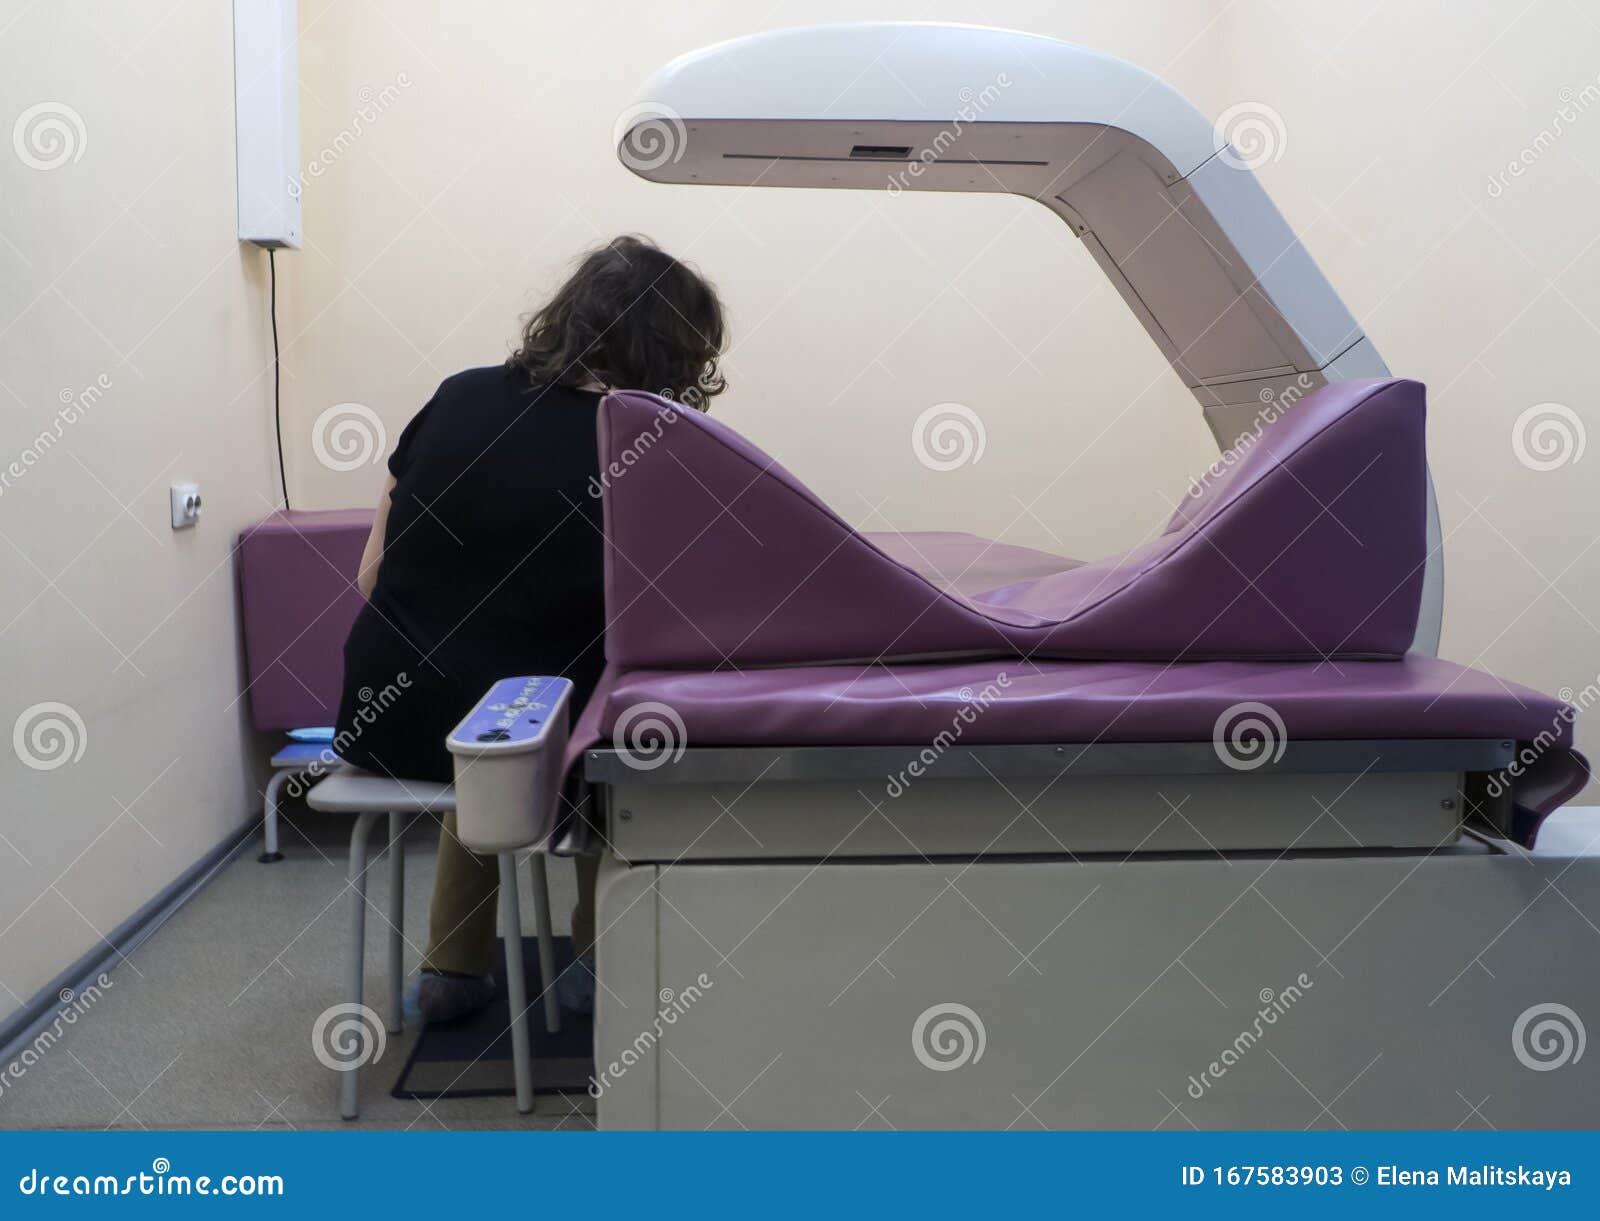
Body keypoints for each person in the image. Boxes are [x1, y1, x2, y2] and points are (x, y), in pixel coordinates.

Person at [335, 234, 727, 1022]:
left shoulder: (456, 395)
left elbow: (369, 577)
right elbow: (663, 627)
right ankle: (600, 960)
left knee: (493, 717)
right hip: (542, 741)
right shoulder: (646, 444)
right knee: (606, 729)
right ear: (676, 351)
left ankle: (449, 969)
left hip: (388, 720)